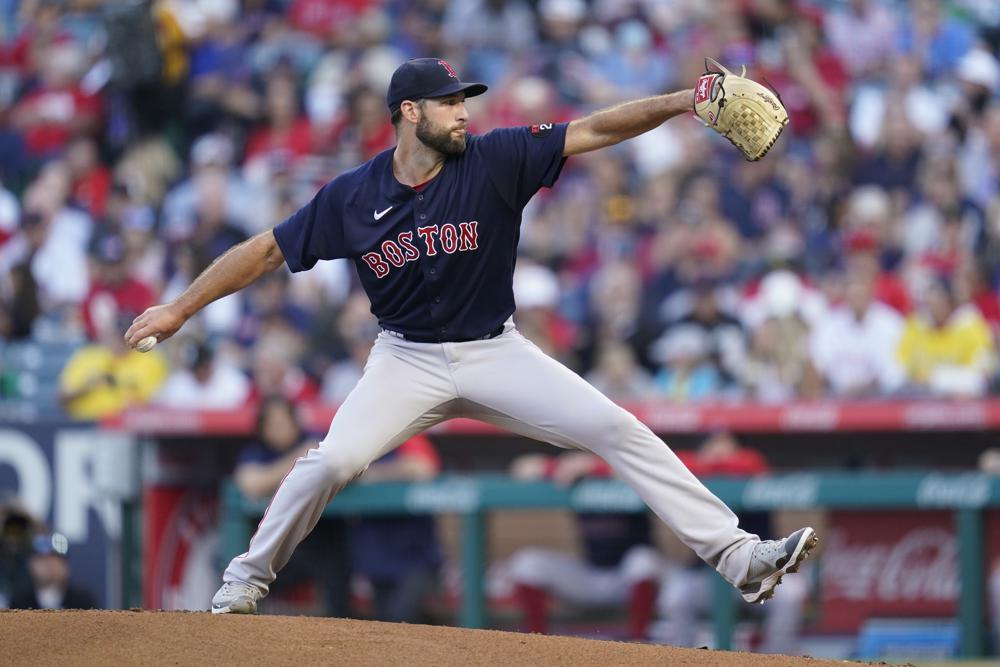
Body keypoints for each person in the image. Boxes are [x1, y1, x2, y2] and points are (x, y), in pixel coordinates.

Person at [124, 57, 818, 615]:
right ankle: (245, 578)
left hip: (496, 350)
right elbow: (267, 250)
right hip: (405, 359)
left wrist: (683, 100)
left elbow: (595, 130)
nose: (464, 112)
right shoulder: (351, 195)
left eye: (466, 101)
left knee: (617, 428)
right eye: (451, 102)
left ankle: (739, 556)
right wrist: (181, 308)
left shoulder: (494, 159)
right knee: (332, 461)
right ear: (409, 112)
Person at [505, 450, 663, 640]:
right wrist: (556, 468)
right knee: (528, 561)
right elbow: (522, 468)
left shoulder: (625, 466)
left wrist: (596, 466)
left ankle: (639, 640)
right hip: (591, 574)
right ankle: (537, 641)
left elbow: (640, 470)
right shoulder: (575, 475)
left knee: (643, 559)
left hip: (629, 578)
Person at [233, 395, 351, 617]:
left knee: (337, 567)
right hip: (278, 543)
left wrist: (306, 456)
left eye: (284, 423)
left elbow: (339, 465)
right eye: (273, 425)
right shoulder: (257, 451)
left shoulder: (316, 439)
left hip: (321, 538)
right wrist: (300, 459)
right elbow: (251, 483)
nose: (279, 430)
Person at [9, 532, 96, 610]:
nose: (49, 566)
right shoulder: (20, 602)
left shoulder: (82, 601)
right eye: (42, 560)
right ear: (30, 565)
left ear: (66, 566)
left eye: (55, 560)